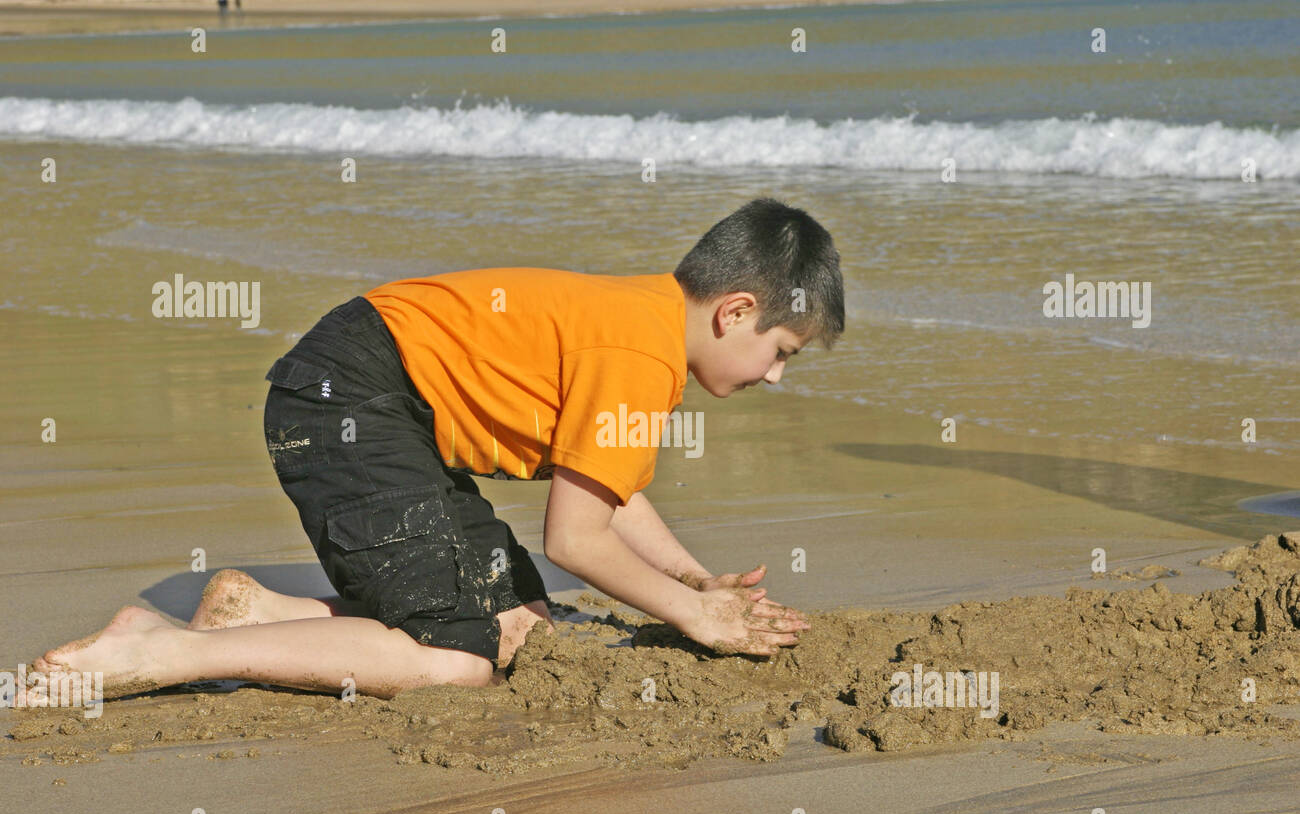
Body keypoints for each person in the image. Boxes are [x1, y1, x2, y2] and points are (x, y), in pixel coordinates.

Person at [28, 197, 845, 701]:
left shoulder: (645, 325)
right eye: (783, 351)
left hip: (388, 404)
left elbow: (611, 491)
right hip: (349, 393)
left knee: (520, 621)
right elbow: (574, 539)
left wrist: (692, 578)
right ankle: (165, 649)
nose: (775, 376)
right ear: (735, 311)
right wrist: (697, 616)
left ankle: (256, 611)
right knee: (460, 662)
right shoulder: (640, 352)